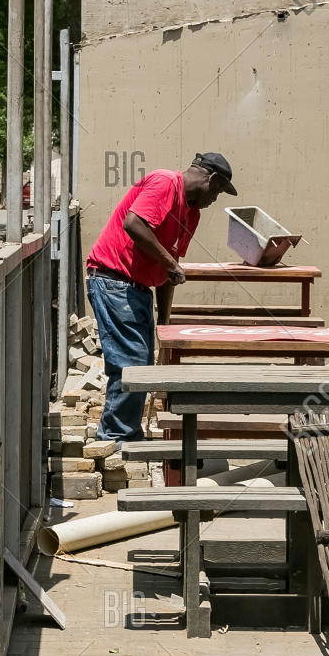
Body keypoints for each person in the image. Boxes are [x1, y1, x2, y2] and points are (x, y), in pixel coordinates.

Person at [84, 152, 236, 443]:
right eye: (218, 191)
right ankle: (116, 438)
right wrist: (170, 263)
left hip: (136, 289)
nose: (215, 199)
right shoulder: (165, 182)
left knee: (139, 363)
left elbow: (171, 269)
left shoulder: (192, 214)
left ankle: (122, 434)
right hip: (113, 280)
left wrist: (164, 324)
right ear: (211, 179)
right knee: (130, 363)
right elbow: (133, 224)